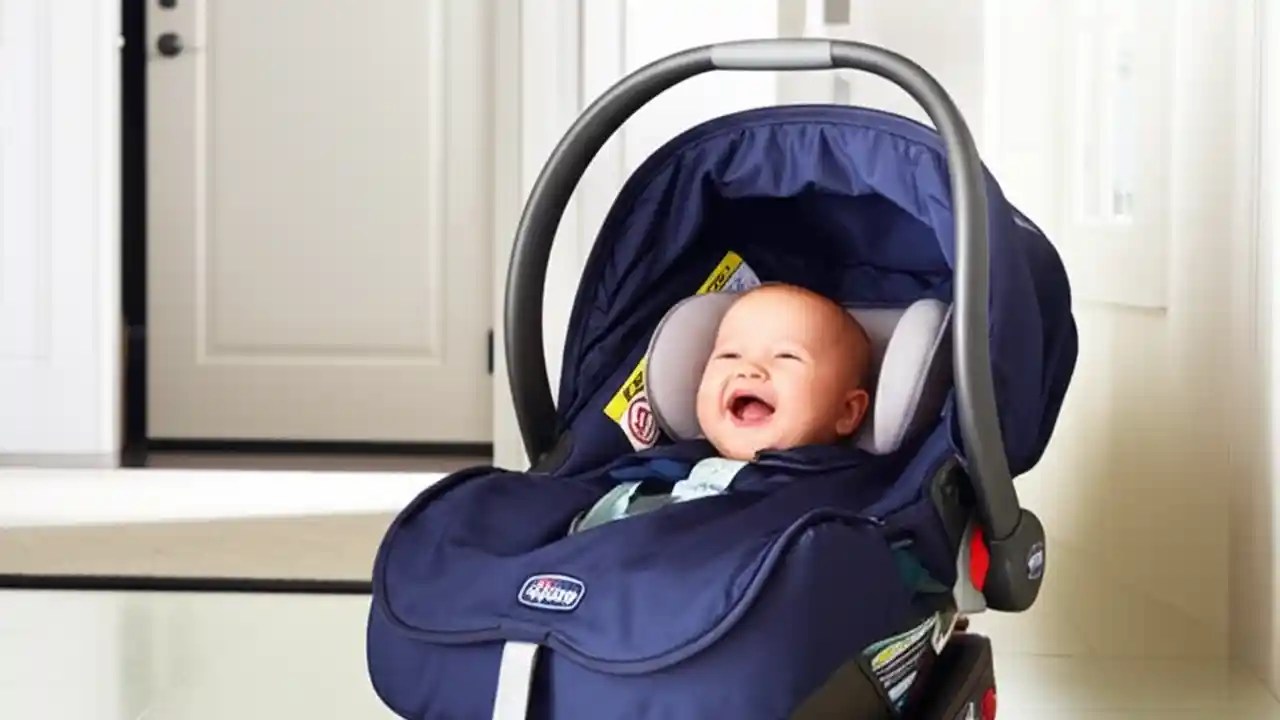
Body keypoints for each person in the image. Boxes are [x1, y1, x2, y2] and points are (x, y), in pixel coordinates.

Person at [572, 283, 873, 533]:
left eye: (787, 357)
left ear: (847, 412)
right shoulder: (655, 467)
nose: (750, 369)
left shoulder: (841, 500)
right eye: (730, 355)